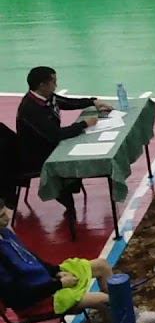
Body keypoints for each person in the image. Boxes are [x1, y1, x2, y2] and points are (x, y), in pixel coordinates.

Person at [0, 204, 155, 323]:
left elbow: (34, 259)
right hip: (38, 301)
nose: (7, 216)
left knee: (101, 266)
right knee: (103, 299)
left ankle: (133, 315)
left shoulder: (5, 233)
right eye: (1, 216)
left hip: (48, 282)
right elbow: (20, 297)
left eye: (4, 211)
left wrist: (57, 271)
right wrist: (59, 284)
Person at [16, 67, 113, 220]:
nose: (56, 85)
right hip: (38, 155)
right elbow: (56, 135)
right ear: (42, 85)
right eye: (53, 82)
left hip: (51, 145)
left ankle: (72, 185)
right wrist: (84, 124)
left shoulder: (46, 96)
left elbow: (67, 102)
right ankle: (66, 199)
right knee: (75, 157)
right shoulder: (30, 109)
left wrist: (93, 101)